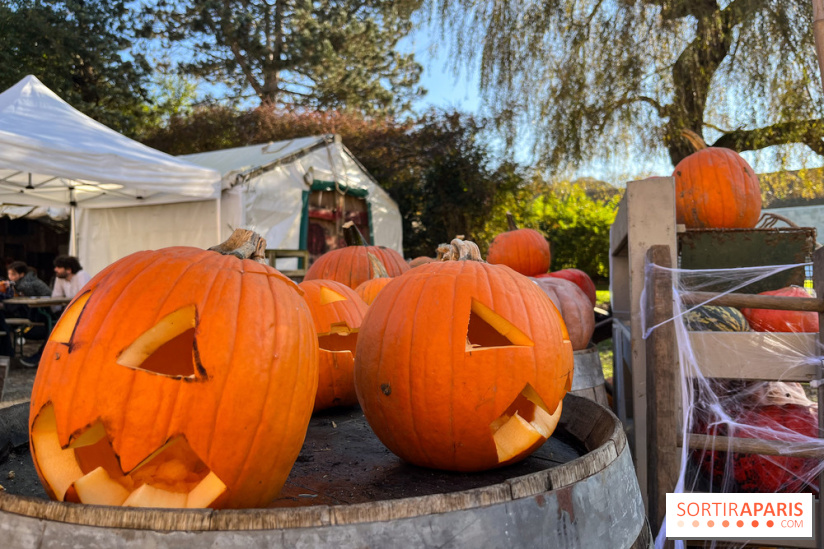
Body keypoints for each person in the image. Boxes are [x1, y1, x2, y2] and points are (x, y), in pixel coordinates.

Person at [5, 262, 52, 368]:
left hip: (42, 309)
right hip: (35, 308)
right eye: (9, 274)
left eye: (13, 274)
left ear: (21, 274)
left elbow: (27, 296)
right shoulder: (26, 280)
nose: (10, 277)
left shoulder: (25, 283)